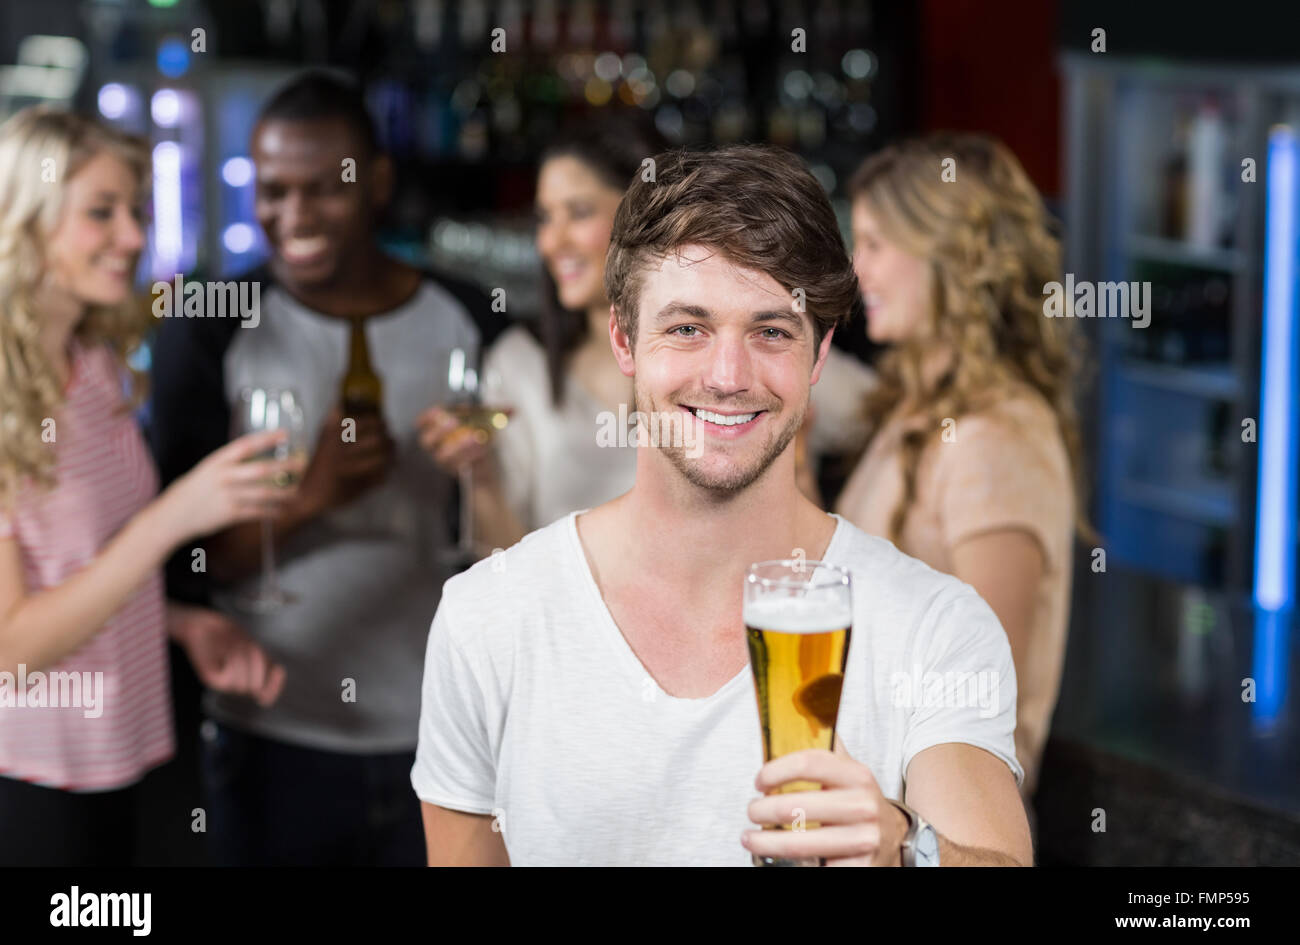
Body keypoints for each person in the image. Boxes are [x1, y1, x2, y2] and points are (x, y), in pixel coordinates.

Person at [411, 143, 1032, 866]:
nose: (729, 376)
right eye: (687, 328)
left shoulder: (936, 626)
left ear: (820, 355)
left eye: (771, 331)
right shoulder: (485, 619)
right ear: (623, 339)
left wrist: (904, 851)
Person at [148, 71, 505, 865]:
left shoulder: (472, 317)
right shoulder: (209, 330)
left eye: (323, 190)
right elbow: (177, 567)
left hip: (446, 738)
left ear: (376, 183)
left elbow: (514, 529)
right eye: (273, 191)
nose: (294, 216)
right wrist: (311, 494)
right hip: (273, 735)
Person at [0, 107, 296, 865]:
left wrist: (180, 625)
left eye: (136, 211)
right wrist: (171, 519)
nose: (133, 238)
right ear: (24, 218)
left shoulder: (92, 366)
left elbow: (83, 567)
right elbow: (11, 653)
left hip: (137, 747)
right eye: (101, 212)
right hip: (38, 776)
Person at [418, 117, 875, 549]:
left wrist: (803, 470)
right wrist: (477, 474)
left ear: (645, 215)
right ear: (624, 342)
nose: (551, 242)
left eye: (578, 212)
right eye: (543, 218)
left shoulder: (772, 357)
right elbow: (505, 569)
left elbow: (889, 420)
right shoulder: (520, 364)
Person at [835, 133, 1086, 813]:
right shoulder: (918, 405)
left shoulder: (995, 436)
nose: (859, 270)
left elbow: (981, 695)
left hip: (941, 825)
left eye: (877, 244)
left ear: (948, 253)